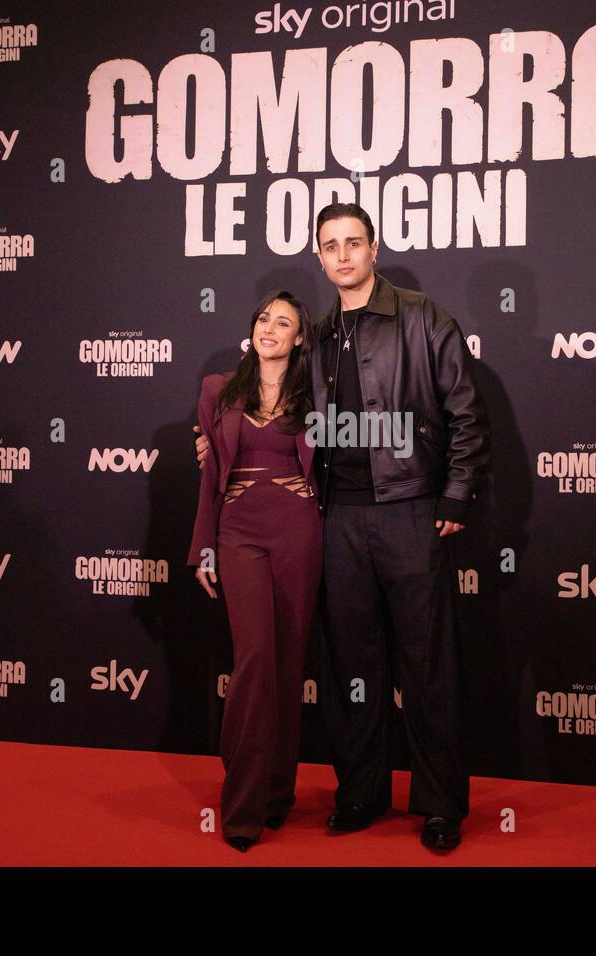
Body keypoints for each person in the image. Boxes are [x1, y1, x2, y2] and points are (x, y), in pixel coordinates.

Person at [196, 203, 489, 851]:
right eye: (330, 246)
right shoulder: (318, 336)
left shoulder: (421, 315)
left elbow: (467, 414)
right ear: (321, 257)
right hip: (337, 517)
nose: (343, 255)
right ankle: (361, 792)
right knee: (350, 665)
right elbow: (271, 411)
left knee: (428, 666)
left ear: (373, 248)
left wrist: (455, 498)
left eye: (353, 242)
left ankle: (439, 805)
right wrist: (214, 442)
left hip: (413, 509)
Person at [187, 290, 322, 853]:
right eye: (264, 317)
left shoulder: (317, 395)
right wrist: (201, 548)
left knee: (289, 663)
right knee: (256, 659)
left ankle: (276, 794)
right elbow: (211, 472)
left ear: (299, 339)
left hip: (299, 532)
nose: (270, 327)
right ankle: (242, 807)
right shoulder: (218, 391)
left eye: (283, 322)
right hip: (238, 533)